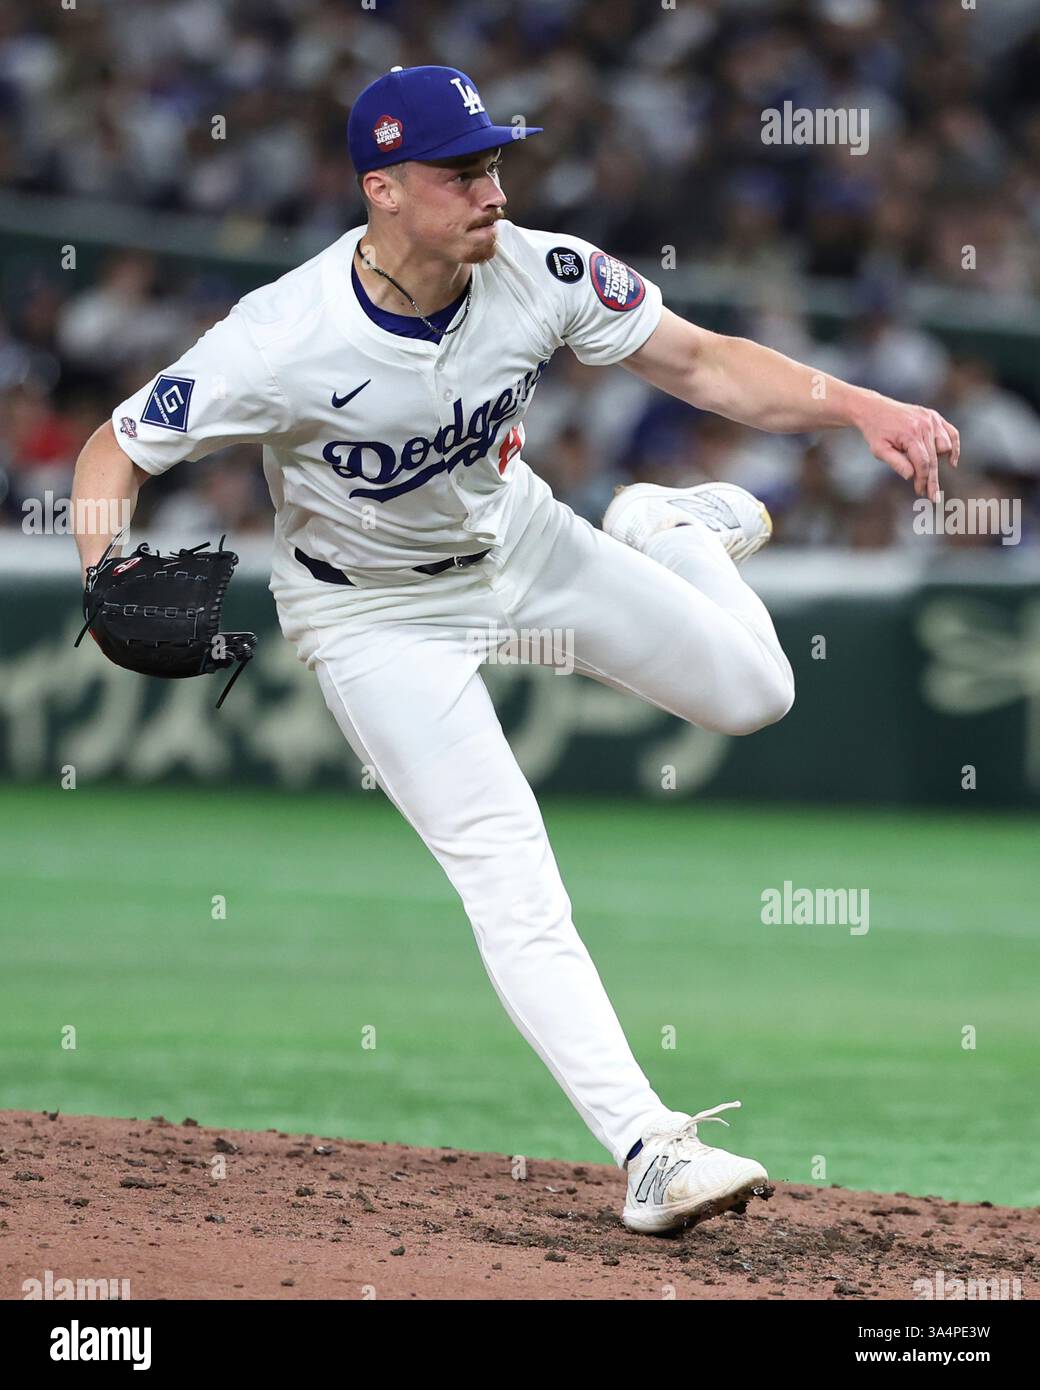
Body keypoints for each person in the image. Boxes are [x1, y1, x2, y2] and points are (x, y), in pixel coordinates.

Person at [71, 65, 958, 1235]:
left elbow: (700, 362)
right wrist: (104, 566)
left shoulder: (540, 270)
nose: (490, 188)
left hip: (523, 544)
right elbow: (112, 448)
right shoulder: (279, 338)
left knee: (756, 692)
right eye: (460, 171)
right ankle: (649, 1147)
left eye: (493, 162)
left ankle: (664, 524)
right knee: (507, 869)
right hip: (373, 614)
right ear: (382, 189)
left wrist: (860, 406)